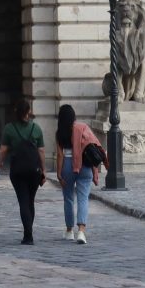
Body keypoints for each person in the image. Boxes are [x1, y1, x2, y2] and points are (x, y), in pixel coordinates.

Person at [0, 99, 45, 245]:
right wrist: (44, 170)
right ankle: (28, 232)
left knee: (23, 200)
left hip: (17, 170)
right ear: (28, 111)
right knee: (30, 201)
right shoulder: (36, 128)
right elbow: (41, 151)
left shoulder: (9, 129)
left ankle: (28, 236)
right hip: (34, 170)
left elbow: (4, 149)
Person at [54, 103, 104, 243]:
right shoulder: (82, 128)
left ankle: (69, 230)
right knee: (83, 199)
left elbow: (60, 155)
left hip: (68, 165)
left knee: (68, 199)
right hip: (85, 165)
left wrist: (59, 173)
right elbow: (93, 143)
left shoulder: (59, 133)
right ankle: (81, 231)